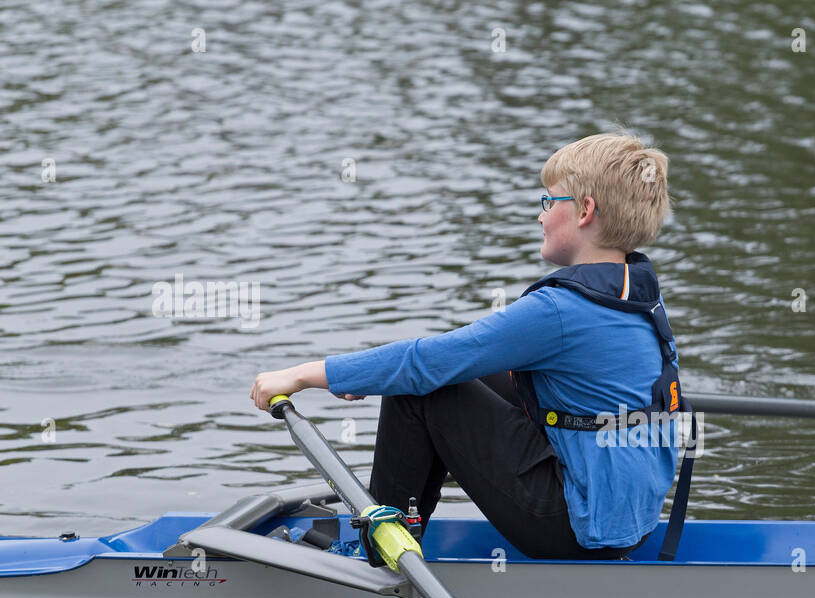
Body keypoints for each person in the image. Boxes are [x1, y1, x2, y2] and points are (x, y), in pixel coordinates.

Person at [250, 131, 685, 560]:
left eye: (549, 201)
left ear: (585, 210)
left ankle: (379, 554)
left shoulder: (558, 310)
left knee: (420, 389)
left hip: (575, 527)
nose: (540, 215)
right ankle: (404, 526)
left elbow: (425, 363)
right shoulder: (637, 291)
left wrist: (304, 375)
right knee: (470, 370)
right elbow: (459, 357)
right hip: (631, 518)